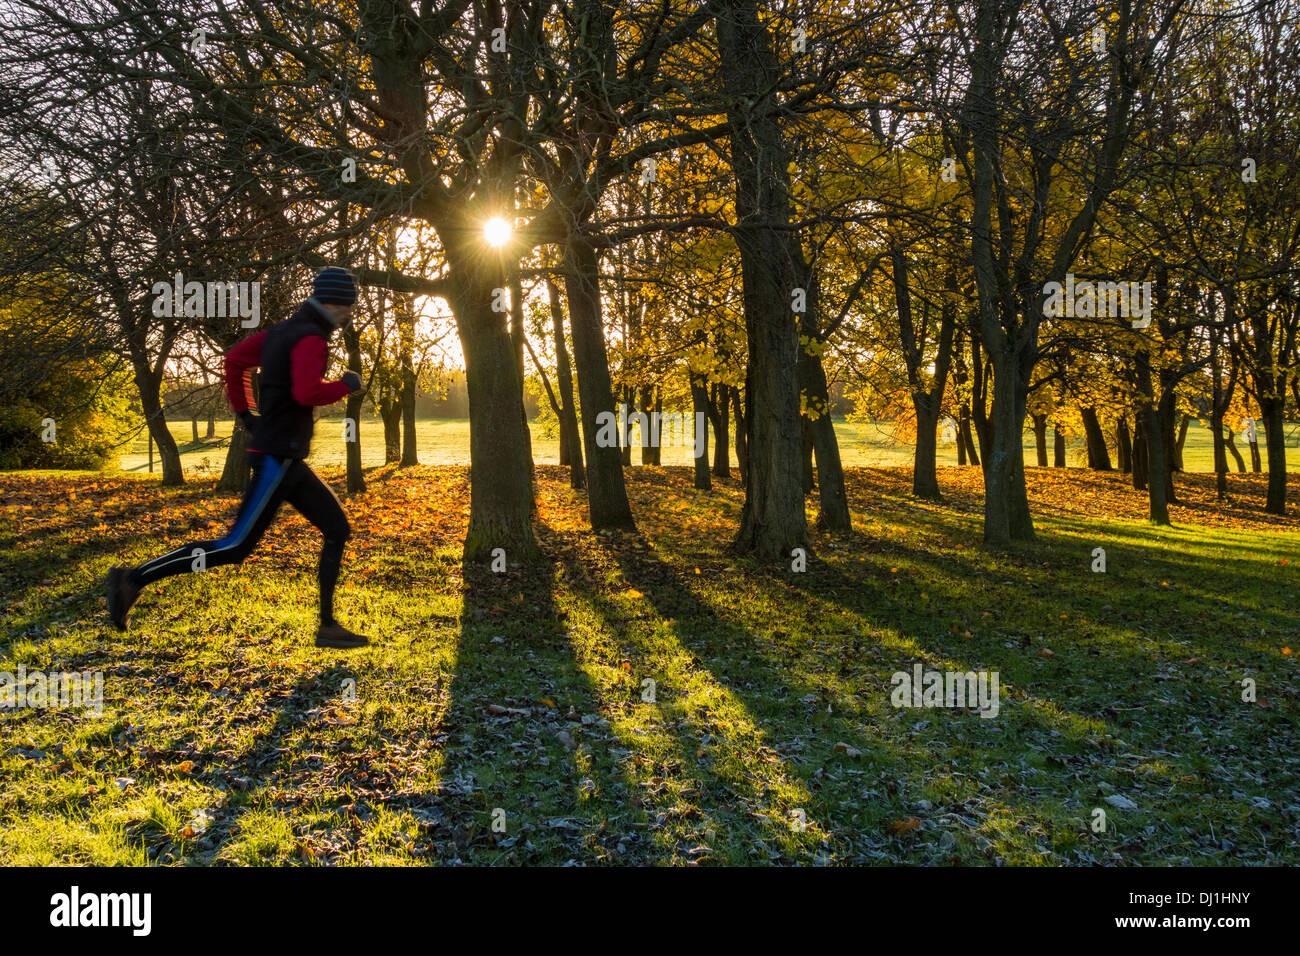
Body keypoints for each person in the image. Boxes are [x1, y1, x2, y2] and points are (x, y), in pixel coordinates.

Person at [106, 267, 370, 649]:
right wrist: (345, 385)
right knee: (234, 547)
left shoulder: (281, 331)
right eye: (348, 306)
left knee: (337, 529)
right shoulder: (311, 338)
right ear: (333, 302)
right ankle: (132, 579)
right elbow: (306, 392)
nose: (349, 314)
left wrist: (246, 414)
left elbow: (235, 361)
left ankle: (328, 627)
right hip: (275, 460)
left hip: (287, 460)